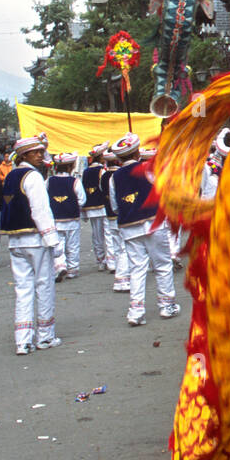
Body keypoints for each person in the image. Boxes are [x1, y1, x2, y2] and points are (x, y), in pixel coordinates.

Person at [0, 136, 62, 355]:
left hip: (15, 241)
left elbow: (7, 205)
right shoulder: (32, 176)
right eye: (34, 152)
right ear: (23, 155)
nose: (39, 155)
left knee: (23, 289)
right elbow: (40, 211)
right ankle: (45, 336)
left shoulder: (10, 176)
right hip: (36, 239)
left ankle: (22, 340)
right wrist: (53, 240)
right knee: (44, 286)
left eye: (40, 151)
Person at [108, 133, 179, 326]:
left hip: (129, 228)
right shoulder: (149, 168)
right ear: (138, 151)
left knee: (137, 269)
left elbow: (115, 206)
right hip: (154, 223)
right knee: (163, 265)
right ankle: (166, 305)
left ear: (119, 157)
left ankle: (136, 311)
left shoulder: (114, 177)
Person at [48, 152, 86, 281]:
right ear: (70, 167)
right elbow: (82, 200)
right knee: (73, 244)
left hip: (55, 219)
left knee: (57, 244)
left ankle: (59, 265)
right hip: (72, 219)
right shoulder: (75, 181)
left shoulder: (49, 181)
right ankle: (72, 269)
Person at [100, 150, 129, 291]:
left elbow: (109, 196)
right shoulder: (121, 175)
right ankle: (122, 278)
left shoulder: (105, 176)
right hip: (122, 215)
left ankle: (116, 267)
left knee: (116, 244)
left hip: (110, 213)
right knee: (124, 247)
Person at [81, 145, 110, 271]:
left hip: (91, 207)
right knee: (108, 234)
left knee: (97, 235)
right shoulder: (102, 171)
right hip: (103, 205)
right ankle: (110, 259)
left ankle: (100, 259)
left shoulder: (85, 171)